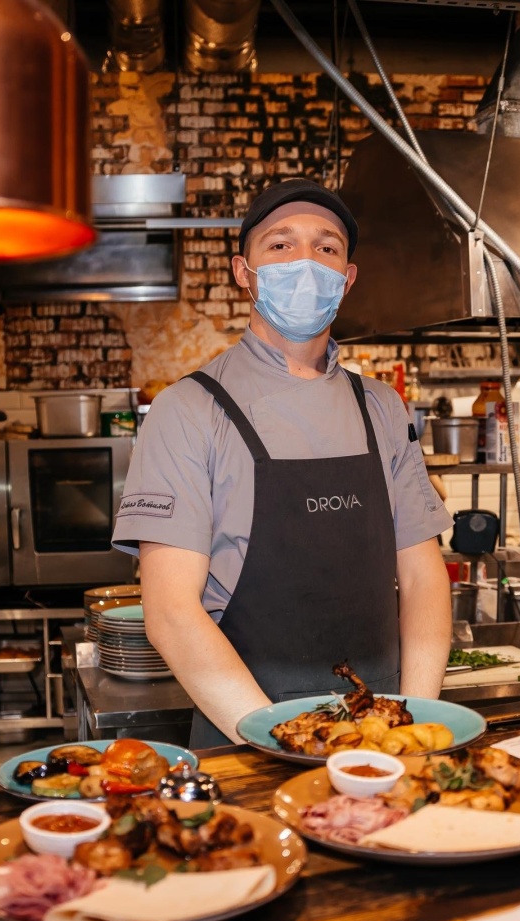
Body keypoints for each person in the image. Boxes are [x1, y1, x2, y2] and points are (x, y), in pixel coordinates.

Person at [111, 179, 453, 748]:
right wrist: (280, 742)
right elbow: (170, 611)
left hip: (381, 733)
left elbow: (423, 577)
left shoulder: (382, 408)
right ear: (243, 272)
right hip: (245, 735)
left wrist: (412, 724)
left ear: (347, 277)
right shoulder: (189, 409)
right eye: (280, 244)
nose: (305, 261)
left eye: (326, 247)